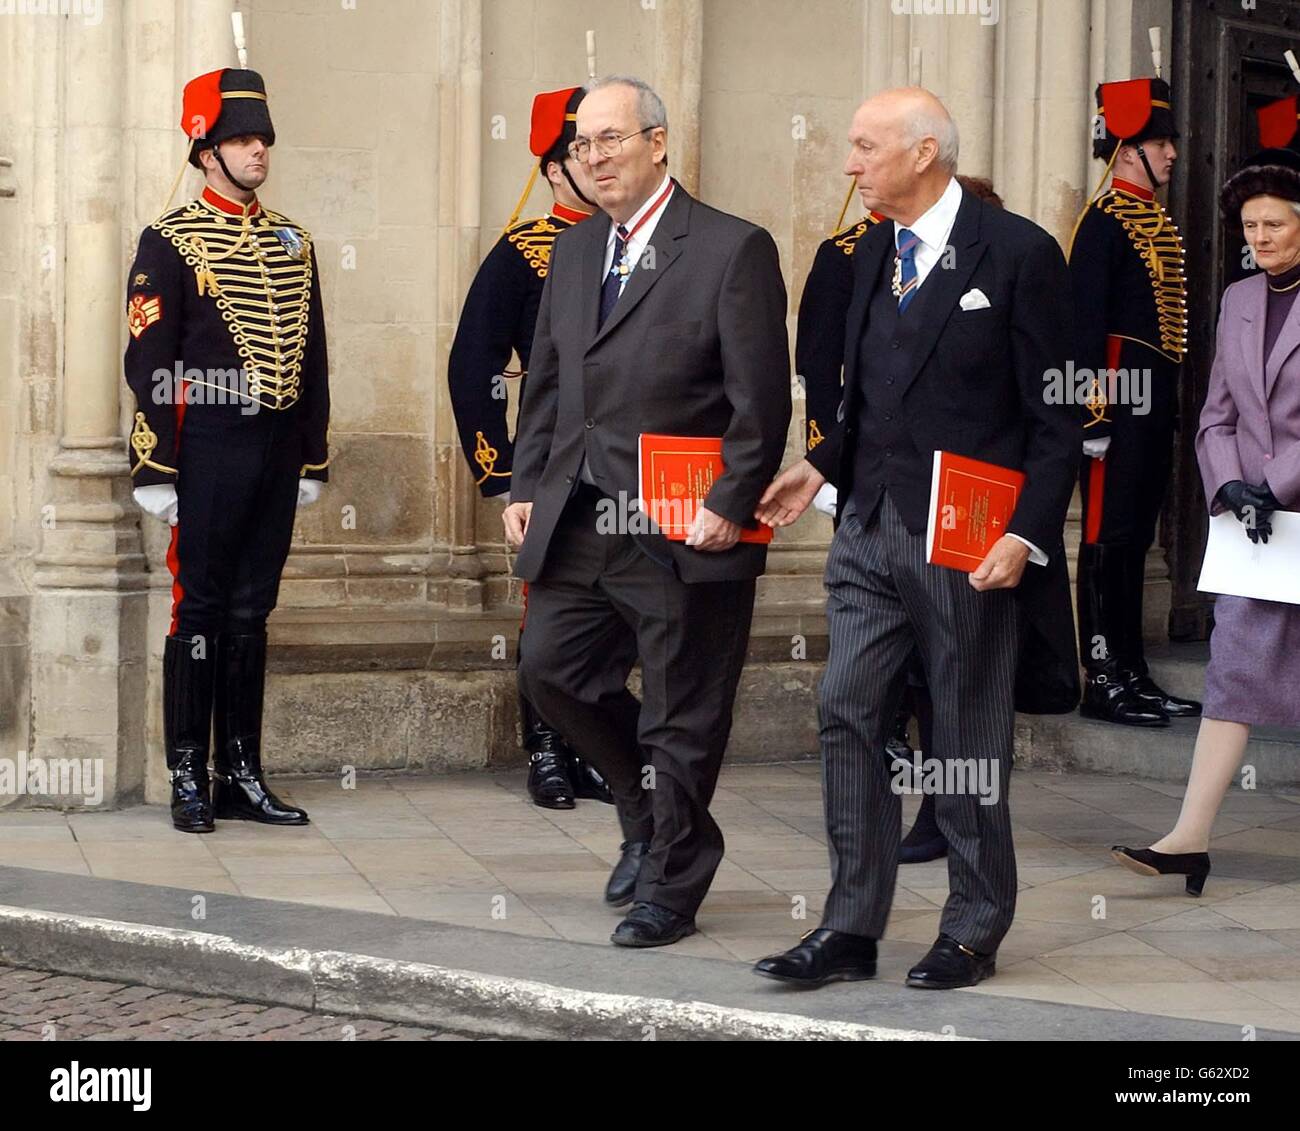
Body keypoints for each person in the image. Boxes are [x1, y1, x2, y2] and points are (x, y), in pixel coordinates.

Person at [752, 88, 1077, 990]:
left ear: (924, 151)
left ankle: (973, 925)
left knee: (966, 733)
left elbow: (1056, 418)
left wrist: (1027, 534)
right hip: (865, 527)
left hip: (968, 541)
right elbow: (857, 389)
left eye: (864, 147)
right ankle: (852, 924)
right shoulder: (863, 256)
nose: (849, 164)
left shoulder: (1018, 254)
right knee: (844, 709)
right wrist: (821, 467)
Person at [504, 76, 791, 948]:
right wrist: (523, 486)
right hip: (581, 513)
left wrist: (730, 504)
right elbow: (548, 386)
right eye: (582, 146)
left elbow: (761, 400)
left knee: (682, 711)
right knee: (551, 671)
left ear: (659, 143)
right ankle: (646, 812)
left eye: (610, 139)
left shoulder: (732, 248)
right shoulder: (576, 250)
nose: (593, 158)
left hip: (681, 524)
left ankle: (671, 882)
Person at [124, 68, 326, 833]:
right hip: (205, 447)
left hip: (275, 450)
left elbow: (314, 359)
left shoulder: (295, 241)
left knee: (253, 609)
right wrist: (156, 464)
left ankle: (241, 770)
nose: (258, 152)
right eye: (243, 140)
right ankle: (187, 773)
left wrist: (312, 454)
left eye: (263, 140)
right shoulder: (169, 241)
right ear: (205, 151)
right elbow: (148, 357)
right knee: (201, 609)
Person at [1113, 146, 1300, 895]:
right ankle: (1189, 837)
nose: (1259, 236)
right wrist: (1232, 488)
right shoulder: (1237, 299)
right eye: (1251, 225)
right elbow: (1215, 414)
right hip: (1258, 530)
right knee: (1232, 670)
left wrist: (1275, 484)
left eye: (1275, 224)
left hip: (1284, 503)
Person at [447, 85, 614, 811]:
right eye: (584, 150)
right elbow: (473, 360)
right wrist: (501, 470)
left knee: (613, 611)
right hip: (549, 467)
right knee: (547, 611)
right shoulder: (524, 252)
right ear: (554, 169)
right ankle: (547, 748)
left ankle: (595, 747)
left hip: (626, 465)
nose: (601, 161)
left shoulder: (639, 246)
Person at [1068, 77, 1199, 726]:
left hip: (1148, 407)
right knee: (1105, 537)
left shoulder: (1153, 218)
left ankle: (1134, 672)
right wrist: (1092, 415)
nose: (1171, 152)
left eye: (1170, 140)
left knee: (1132, 534)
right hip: (1115, 402)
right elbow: (1083, 325)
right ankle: (1102, 676)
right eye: (1158, 141)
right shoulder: (1103, 222)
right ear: (1125, 147)